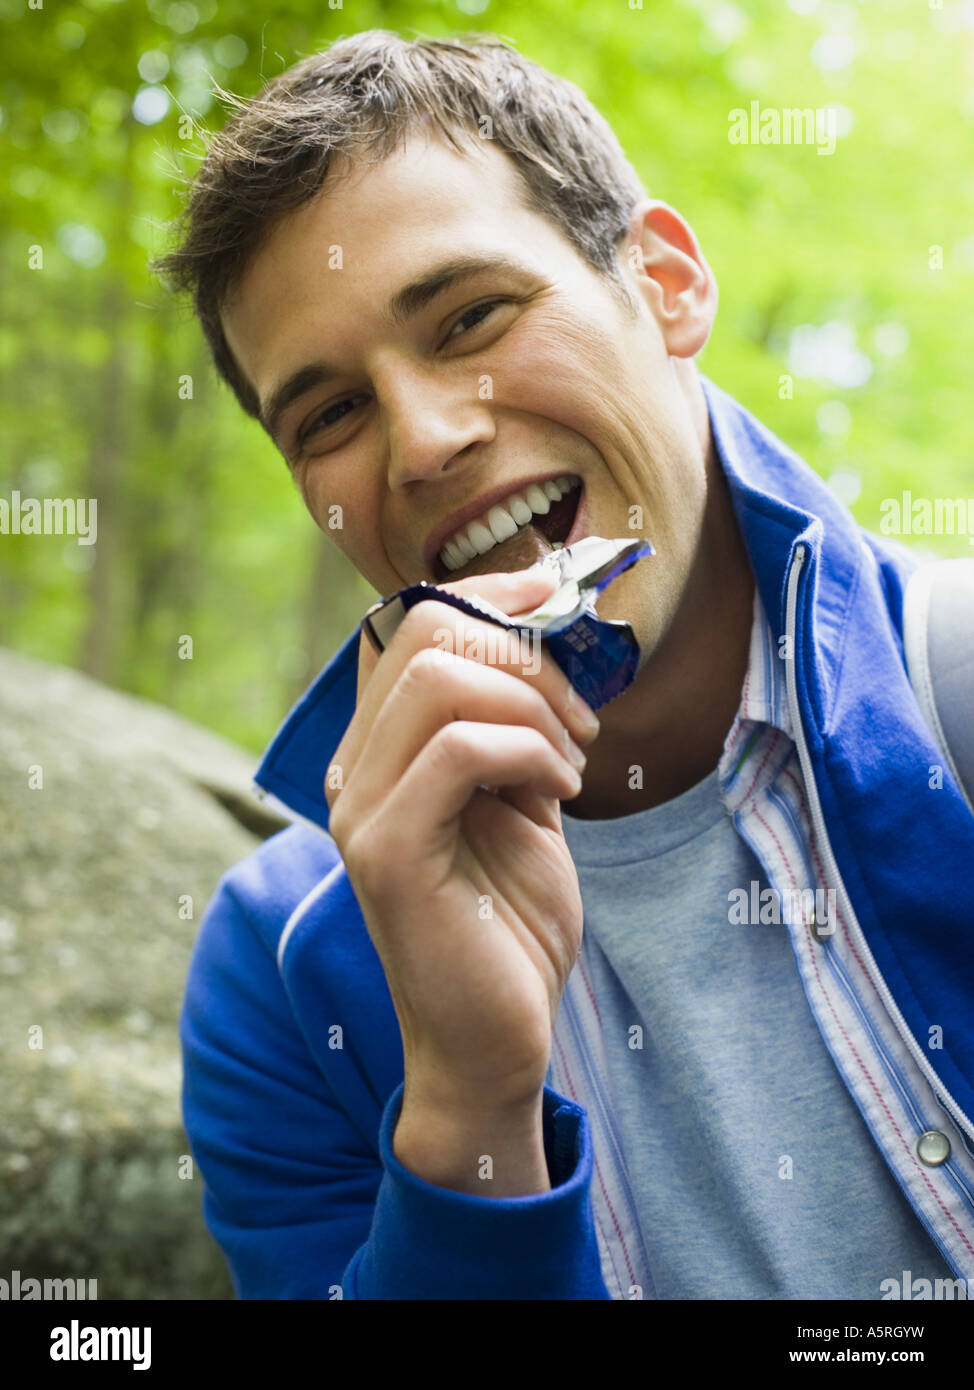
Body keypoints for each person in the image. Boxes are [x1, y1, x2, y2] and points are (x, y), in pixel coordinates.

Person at [157, 29, 974, 1300]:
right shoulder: (282, 974)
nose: (421, 443)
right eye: (328, 414)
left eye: (471, 314)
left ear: (663, 283)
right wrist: (470, 1110)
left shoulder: (954, 701)